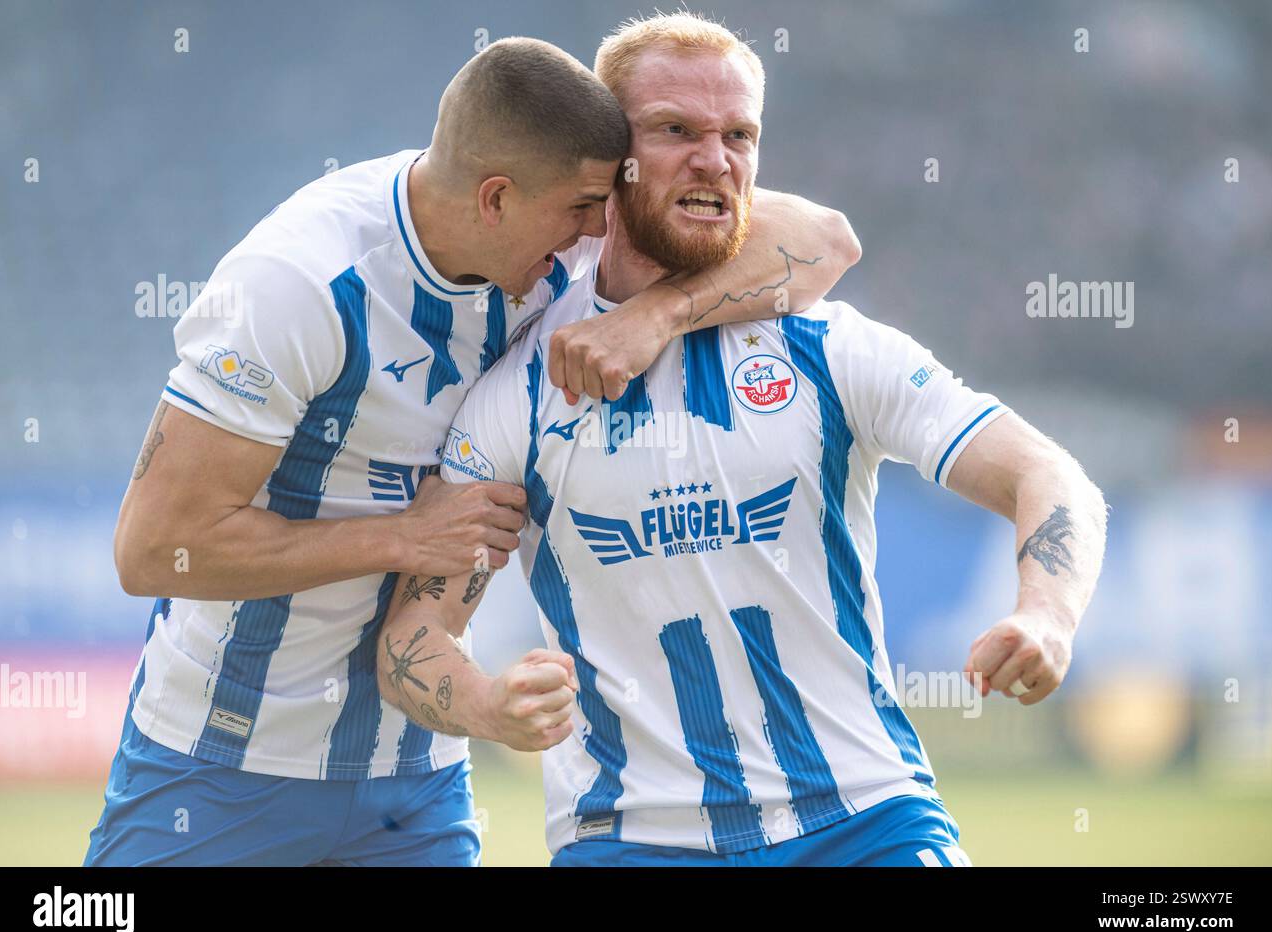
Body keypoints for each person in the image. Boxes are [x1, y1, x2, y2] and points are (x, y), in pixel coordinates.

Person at [86, 34, 860, 866]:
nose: (601, 229)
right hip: (218, 760)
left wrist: (652, 317)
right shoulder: (297, 286)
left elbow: (826, 240)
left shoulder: (556, 232)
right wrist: (397, 537)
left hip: (414, 776)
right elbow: (154, 549)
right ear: (495, 200)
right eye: (580, 210)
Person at [374, 12, 1108, 866]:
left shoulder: (828, 347)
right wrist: (484, 705)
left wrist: (1047, 616)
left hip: (864, 818)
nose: (715, 160)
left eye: (739, 135)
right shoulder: (517, 392)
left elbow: (1048, 477)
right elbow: (411, 636)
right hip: (629, 839)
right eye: (675, 130)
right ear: (611, 159)